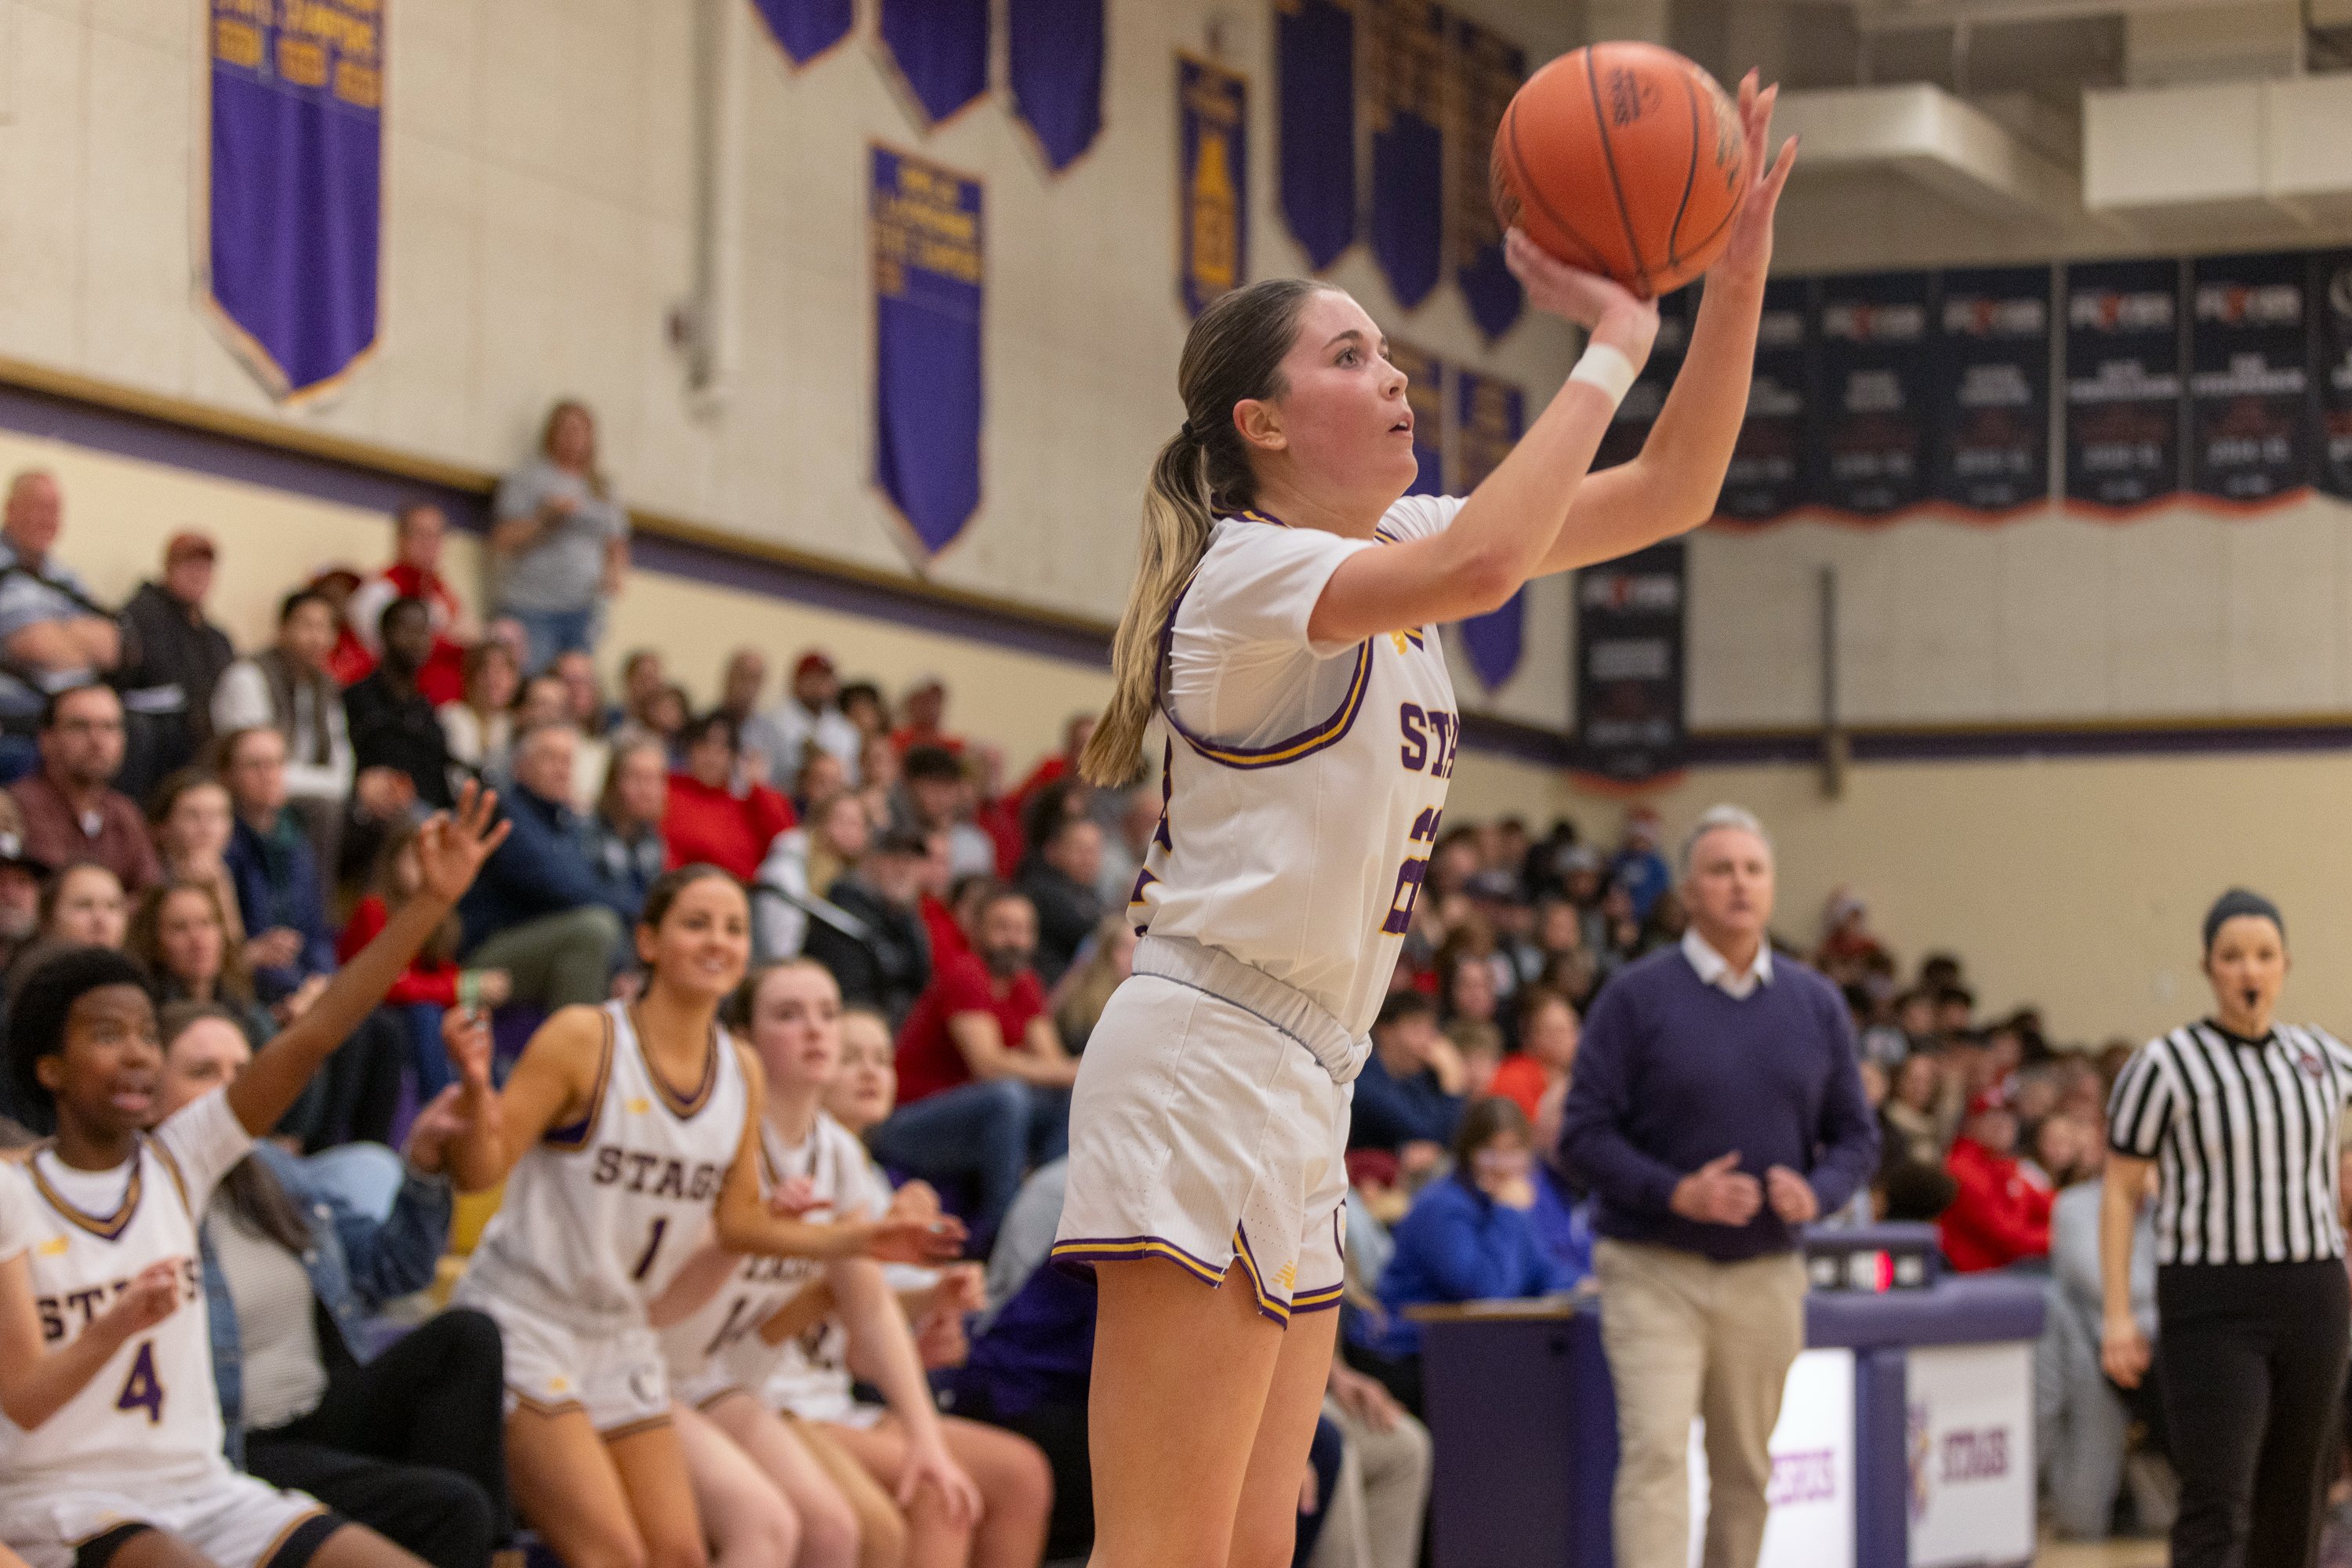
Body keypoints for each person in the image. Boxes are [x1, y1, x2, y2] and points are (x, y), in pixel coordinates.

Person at [1051, 72, 1793, 1566]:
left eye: (1390, 351)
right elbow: (1489, 568)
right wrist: (1616, 334)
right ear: (1263, 423)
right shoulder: (1250, 575)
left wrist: (1734, 265)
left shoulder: (1388, 536)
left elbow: (1680, 484)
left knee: (1261, 1545)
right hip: (1203, 1056)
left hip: (1307, 1078)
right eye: (1351, 355)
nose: (1393, 376)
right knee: (1170, 1551)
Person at [0, 782, 503, 1568]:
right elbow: (23, 1397)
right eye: (107, 1034)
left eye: (143, 1033)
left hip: (204, 1485)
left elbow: (315, 1035)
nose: (137, 1051)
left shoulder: (177, 1159)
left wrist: (423, 907)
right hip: (67, 1495)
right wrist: (117, 1322)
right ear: (51, 1065)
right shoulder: (13, 1193)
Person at [444, 865, 964, 1568]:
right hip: (532, 1318)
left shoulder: (740, 1068)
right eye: (697, 924)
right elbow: (481, 1169)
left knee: (682, 1555)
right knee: (615, 1557)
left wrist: (868, 1237)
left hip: (620, 1336)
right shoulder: (584, 1039)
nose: (718, 941)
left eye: (734, 928)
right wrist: (478, 1099)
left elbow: (741, 1224)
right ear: (649, 941)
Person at [1559, 804, 1876, 1568]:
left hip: (1767, 1270)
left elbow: (1859, 1137)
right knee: (1658, 1456)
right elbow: (1581, 1135)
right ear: (1689, 892)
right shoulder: (1635, 996)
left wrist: (1818, 1189)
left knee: (1747, 1468)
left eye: (1753, 869)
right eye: (1720, 869)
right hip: (1652, 1267)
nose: (1739, 883)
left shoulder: (1815, 1002)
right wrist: (1677, 1191)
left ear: (1770, 887)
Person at [654, 966, 1048, 1568]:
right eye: (789, 1016)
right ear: (743, 1040)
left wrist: (931, 1320)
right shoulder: (718, 1139)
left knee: (997, 1478)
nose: (817, 1033)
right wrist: (770, 1240)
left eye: (828, 1015)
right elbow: (731, 1316)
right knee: (849, 1528)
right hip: (711, 1376)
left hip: (739, 1382)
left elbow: (865, 1309)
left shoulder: (837, 1154)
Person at [154, 1001, 510, 1568]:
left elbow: (391, 1270)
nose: (229, 1093)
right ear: (150, 1091)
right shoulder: (146, 1200)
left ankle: (497, 1553)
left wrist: (422, 1163)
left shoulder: (274, 1168)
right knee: (451, 1507)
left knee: (466, 1337)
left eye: (242, 1074)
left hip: (321, 1411)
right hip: (242, 1449)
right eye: (203, 1073)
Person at [2102, 889, 2352, 1568]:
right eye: (2233, 957)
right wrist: (2118, 1315)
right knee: (2218, 1493)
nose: (2250, 971)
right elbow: (2121, 1191)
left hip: (2314, 1292)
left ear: (2286, 967)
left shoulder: (2325, 1059)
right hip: (2211, 1299)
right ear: (2209, 968)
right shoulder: (2166, 1066)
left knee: (2300, 1488)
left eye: (2264, 956)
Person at [869, 886, 1075, 1252]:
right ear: (978, 932)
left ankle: (1049, 1213)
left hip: (968, 1122)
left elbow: (1053, 1065)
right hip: (906, 1122)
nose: (1014, 939)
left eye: (1023, 929)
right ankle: (1000, 1233)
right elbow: (989, 1065)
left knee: (1066, 1100)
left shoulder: (1025, 984)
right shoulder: (965, 973)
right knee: (1007, 1096)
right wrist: (1080, 1070)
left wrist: (1076, 1075)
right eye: (1003, 927)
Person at [1352, 1098, 1583, 1415]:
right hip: (1409, 1353)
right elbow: (1484, 1292)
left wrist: (1583, 1286)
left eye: (1514, 1152)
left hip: (1465, 1351)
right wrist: (1509, 1213)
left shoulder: (1499, 1202)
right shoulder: (1442, 1207)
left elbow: (1543, 1271)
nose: (1503, 1165)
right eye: (1492, 1152)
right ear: (1470, 1152)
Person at [453, 722, 625, 1013]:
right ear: (520, 766)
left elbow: (588, 885)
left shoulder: (568, 822)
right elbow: (564, 887)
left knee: (608, 935)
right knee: (596, 929)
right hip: (486, 952)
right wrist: (638, 908)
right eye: (551, 759)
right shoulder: (505, 812)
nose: (562, 770)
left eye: (568, 761)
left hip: (543, 941)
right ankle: (573, 1049)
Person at [339, 818, 506, 1101]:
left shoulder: (437, 917)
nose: (424, 866)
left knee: (472, 1018)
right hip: (368, 1009)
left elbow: (437, 971)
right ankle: (438, 1103)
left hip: (406, 1009)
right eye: (414, 857)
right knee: (426, 1013)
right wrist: (459, 987)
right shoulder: (374, 909)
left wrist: (467, 993)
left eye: (432, 857)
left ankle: (493, 1106)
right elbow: (388, 984)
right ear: (392, 862)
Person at [211, 589, 357, 874]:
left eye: (325, 628)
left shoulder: (326, 687)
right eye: (306, 626)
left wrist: (337, 787)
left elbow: (342, 766)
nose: (317, 638)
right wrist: (329, 785)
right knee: (325, 810)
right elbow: (256, 766)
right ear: (282, 630)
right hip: (247, 790)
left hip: (307, 790)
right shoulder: (249, 676)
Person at [489, 400, 629, 671]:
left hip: (583, 608)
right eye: (566, 429)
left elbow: (616, 540)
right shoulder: (527, 479)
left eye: (580, 431)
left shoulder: (603, 488)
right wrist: (545, 517)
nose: (573, 438)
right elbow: (503, 540)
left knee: (575, 686)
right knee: (529, 681)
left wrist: (614, 574)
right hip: (531, 606)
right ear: (551, 433)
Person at [220, 727, 336, 1006]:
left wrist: (322, 981)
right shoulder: (224, 844)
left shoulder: (297, 840)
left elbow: (315, 929)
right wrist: (250, 953)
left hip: (301, 977)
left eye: (276, 763)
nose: (268, 775)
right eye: (254, 765)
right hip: (250, 981)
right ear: (228, 777)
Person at [114, 532, 237, 794]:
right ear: (169, 566)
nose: (198, 574)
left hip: (206, 732)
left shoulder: (217, 638)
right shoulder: (142, 615)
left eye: (205, 567)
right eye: (189, 564)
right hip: (159, 731)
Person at [10, 685, 160, 895]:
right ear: (47, 739)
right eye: (80, 726)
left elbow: (150, 897)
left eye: (109, 727)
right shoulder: (15, 808)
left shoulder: (124, 812)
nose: (97, 740)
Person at [0, 471, 121, 728]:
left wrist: (56, 637)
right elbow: (35, 645)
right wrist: (73, 637)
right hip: (14, 720)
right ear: (11, 509)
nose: (48, 519)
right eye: (39, 507)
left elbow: (110, 646)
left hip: (71, 716)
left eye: (54, 510)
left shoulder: (63, 577)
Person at [800, 826, 935, 1029]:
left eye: (911, 861)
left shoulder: (905, 917)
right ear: (869, 860)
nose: (903, 869)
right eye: (893, 858)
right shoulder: (843, 915)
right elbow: (853, 1003)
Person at [347, 503, 472, 706]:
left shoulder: (442, 592)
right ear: (401, 538)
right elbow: (385, 653)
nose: (430, 544)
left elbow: (467, 634)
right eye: (421, 534)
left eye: (436, 535)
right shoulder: (379, 590)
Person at [344, 599, 458, 811]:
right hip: (381, 814)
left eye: (424, 631)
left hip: (433, 815)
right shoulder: (356, 699)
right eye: (409, 630)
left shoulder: (424, 707)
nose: (418, 641)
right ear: (385, 633)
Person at [665, 713, 795, 884]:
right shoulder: (669, 789)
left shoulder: (746, 804)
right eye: (703, 746)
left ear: (734, 758)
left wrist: (758, 785)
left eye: (721, 749)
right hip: (682, 888)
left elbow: (787, 841)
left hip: (739, 895)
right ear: (690, 750)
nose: (711, 757)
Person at [751, 790, 871, 963]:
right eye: (842, 820)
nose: (851, 830)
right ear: (819, 823)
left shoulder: (853, 878)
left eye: (858, 823)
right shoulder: (785, 871)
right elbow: (781, 951)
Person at [1349, 991, 1466, 1162]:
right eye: (1416, 1028)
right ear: (1385, 1031)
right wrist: (1453, 1080)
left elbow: (1458, 1140)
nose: (1427, 1042)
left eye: (1430, 1030)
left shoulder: (1421, 1077)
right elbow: (1429, 1134)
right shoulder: (1364, 1079)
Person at [1939, 1095, 2051, 1272]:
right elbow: (2009, 1239)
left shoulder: (2004, 1163)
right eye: (1992, 1116)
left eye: (2008, 1116)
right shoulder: (1963, 1168)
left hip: (2001, 1271)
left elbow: (2049, 1205)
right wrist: (2066, 1236)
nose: (2003, 1124)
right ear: (1972, 1124)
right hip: (1972, 1277)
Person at [147, 770, 247, 949]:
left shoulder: (241, 869)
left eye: (217, 815)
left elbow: (234, 956)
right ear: (163, 827)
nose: (206, 827)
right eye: (192, 815)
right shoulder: (150, 876)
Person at [744, 651, 862, 792]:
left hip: (833, 805)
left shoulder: (845, 729)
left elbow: (852, 779)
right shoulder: (775, 721)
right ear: (798, 680)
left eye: (827, 678)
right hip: (787, 800)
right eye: (815, 677)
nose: (822, 685)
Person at [586, 736, 670, 931]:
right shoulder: (586, 832)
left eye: (656, 778)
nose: (647, 789)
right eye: (636, 777)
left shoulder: (653, 841)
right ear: (613, 781)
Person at [1015, 812, 1102, 986]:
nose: (1088, 858)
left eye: (1094, 850)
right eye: (1079, 849)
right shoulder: (1039, 888)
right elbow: (1090, 932)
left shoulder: (1088, 891)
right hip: (1049, 987)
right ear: (1052, 850)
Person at [898, 747, 993, 882]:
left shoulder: (975, 845)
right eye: (932, 787)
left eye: (947, 787)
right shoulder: (896, 838)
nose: (940, 797)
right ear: (909, 787)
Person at [1051, 916, 1137, 1057]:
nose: (1133, 957)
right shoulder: (1079, 995)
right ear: (1106, 951)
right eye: (1126, 948)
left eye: (1138, 948)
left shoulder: (1140, 999)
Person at [1488, 984, 1576, 1121]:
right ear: (1531, 1037)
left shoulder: (1578, 1078)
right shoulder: (1513, 1079)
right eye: (1559, 1031)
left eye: (1573, 1028)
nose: (1573, 1039)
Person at [437, 642, 521, 780]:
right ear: (470, 676)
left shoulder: (511, 725)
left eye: (503, 671)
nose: (494, 679)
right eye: (485, 669)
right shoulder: (451, 716)